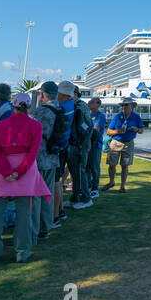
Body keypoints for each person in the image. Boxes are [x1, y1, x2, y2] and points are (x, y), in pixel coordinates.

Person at [0, 92, 52, 265]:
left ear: (13, 106)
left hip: (1, 169)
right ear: (29, 106)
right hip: (26, 171)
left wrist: (7, 171)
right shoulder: (35, 125)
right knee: (24, 214)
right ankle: (22, 252)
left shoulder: (0, 125)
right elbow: (33, 153)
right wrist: (19, 171)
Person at [31, 83, 64, 239]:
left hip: (40, 158)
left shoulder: (41, 112)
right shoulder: (60, 109)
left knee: (36, 196)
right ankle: (45, 227)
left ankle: (35, 229)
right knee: (47, 194)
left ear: (43, 95)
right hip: (54, 157)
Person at [58, 80, 92, 209]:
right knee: (75, 172)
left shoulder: (80, 106)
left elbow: (87, 127)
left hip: (79, 145)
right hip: (74, 144)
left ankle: (86, 198)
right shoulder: (73, 106)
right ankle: (75, 197)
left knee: (79, 171)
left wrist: (80, 144)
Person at [102, 98, 144, 192]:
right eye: (122, 105)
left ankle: (122, 186)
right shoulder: (117, 116)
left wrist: (136, 129)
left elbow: (141, 130)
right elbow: (109, 131)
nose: (123, 107)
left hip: (128, 144)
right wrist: (118, 131)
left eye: (126, 105)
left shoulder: (136, 117)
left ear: (132, 106)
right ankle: (111, 182)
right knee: (112, 164)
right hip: (115, 143)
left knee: (125, 165)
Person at [86, 97, 105, 199]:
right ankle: (88, 187)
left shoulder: (100, 116)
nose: (89, 103)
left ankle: (95, 189)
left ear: (97, 105)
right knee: (87, 167)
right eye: (89, 102)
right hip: (87, 144)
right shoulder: (88, 115)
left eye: (91, 102)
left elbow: (96, 129)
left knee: (94, 167)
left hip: (95, 145)